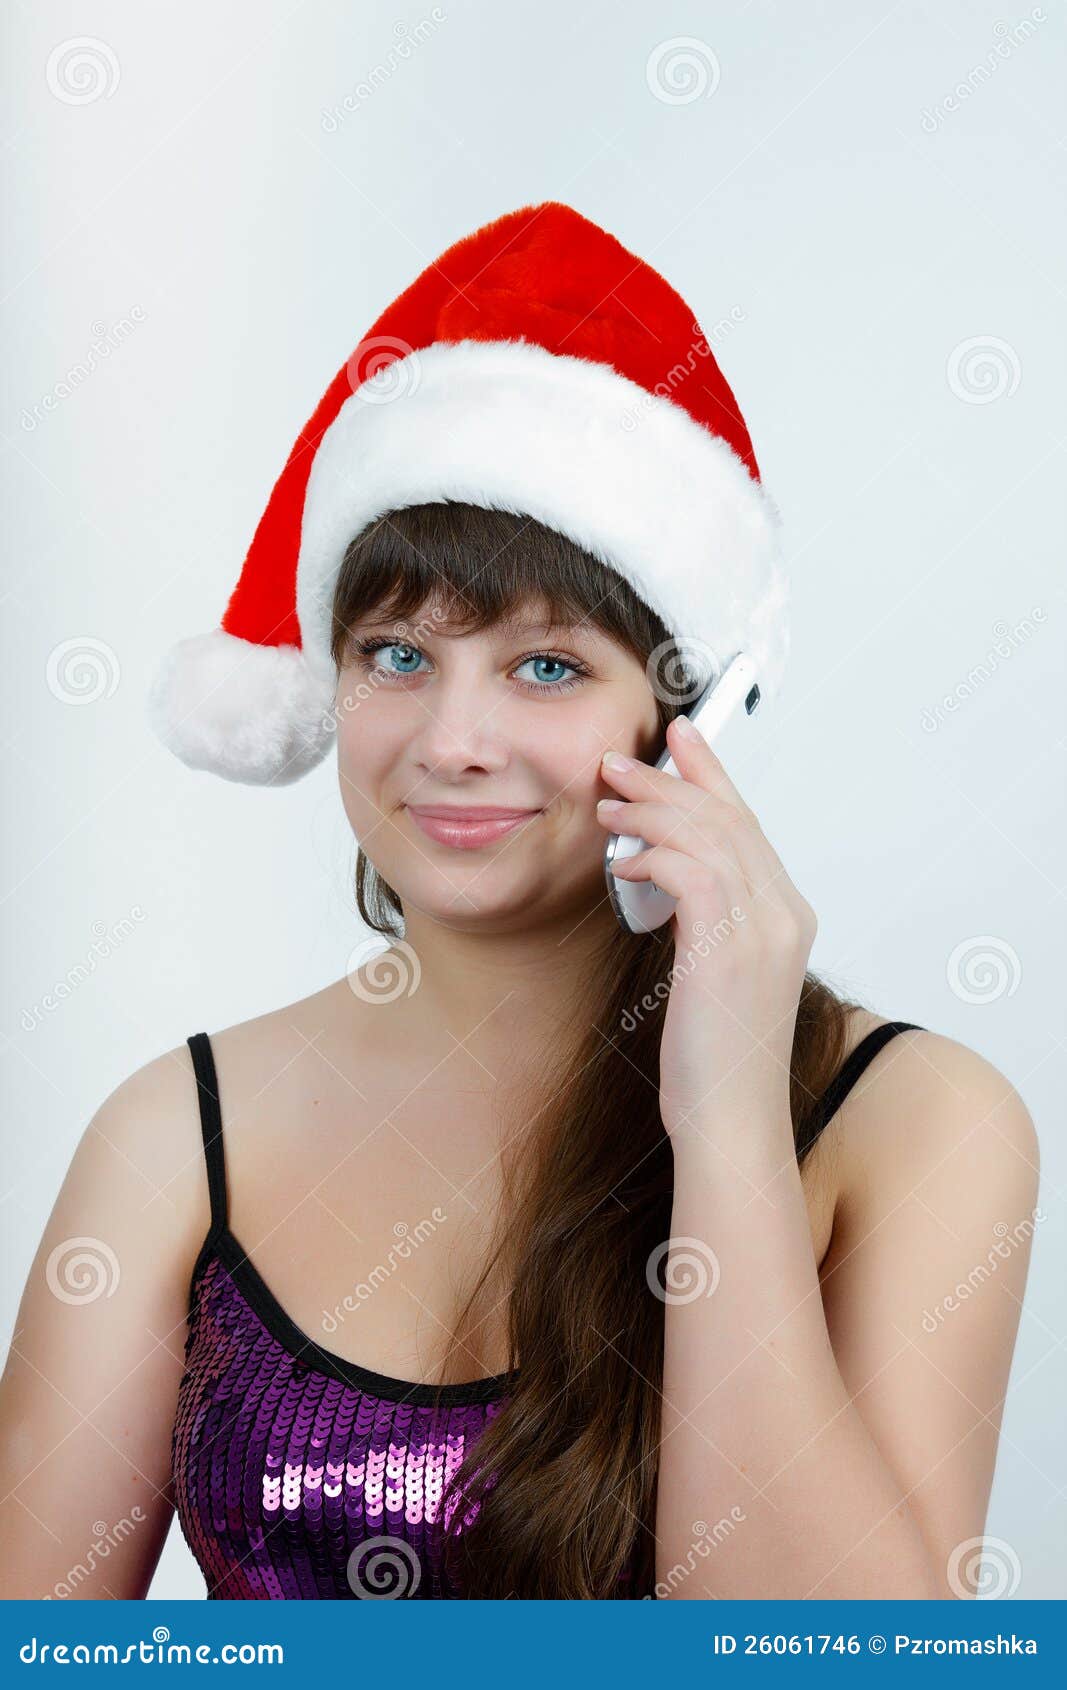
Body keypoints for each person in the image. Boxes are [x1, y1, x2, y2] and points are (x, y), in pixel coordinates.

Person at [0, 206, 1039, 1602]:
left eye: (547, 667)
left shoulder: (916, 1120)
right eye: (396, 654)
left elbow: (835, 1659)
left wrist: (725, 1123)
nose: (451, 740)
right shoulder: (172, 1132)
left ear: (688, 712)